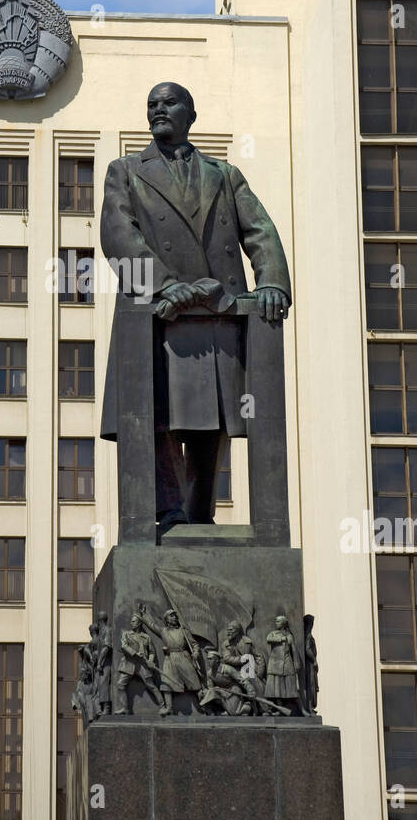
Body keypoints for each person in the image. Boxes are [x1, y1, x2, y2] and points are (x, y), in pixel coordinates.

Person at [100, 81, 291, 532]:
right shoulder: (125, 170)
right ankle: (169, 514)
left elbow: (260, 231)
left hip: (219, 318)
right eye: (151, 104)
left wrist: (273, 284)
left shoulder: (223, 174)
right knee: (159, 419)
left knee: (215, 423)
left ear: (191, 114)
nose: (157, 110)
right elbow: (118, 234)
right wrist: (164, 285)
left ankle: (197, 514)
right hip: (158, 322)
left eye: (168, 103)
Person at [137, 602, 203, 716]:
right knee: (166, 683)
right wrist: (144, 614)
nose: (174, 617)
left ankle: (205, 706)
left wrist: (196, 652)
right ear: (166, 620)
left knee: (195, 683)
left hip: (183, 657)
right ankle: (169, 708)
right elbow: (152, 625)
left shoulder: (183, 631)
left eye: (175, 616)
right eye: (171, 616)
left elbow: (194, 644)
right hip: (170, 658)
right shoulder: (164, 631)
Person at [113, 613, 162, 713]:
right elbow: (124, 646)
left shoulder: (146, 637)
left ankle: (163, 705)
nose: (131, 623)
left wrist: (150, 661)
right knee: (120, 684)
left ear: (139, 623)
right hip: (129, 663)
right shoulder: (126, 634)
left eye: (134, 621)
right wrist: (134, 653)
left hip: (143, 665)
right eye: (131, 621)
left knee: (151, 686)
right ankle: (124, 708)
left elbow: (152, 652)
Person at [265, 614, 306, 714]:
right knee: (277, 690)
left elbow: (294, 650)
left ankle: (303, 710)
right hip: (275, 665)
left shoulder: (289, 636)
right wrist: (281, 639)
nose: (276, 623)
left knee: (293, 689)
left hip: (287, 664)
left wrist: (296, 663)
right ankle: (280, 710)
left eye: (278, 621)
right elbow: (268, 639)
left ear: (283, 623)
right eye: (276, 621)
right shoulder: (273, 634)